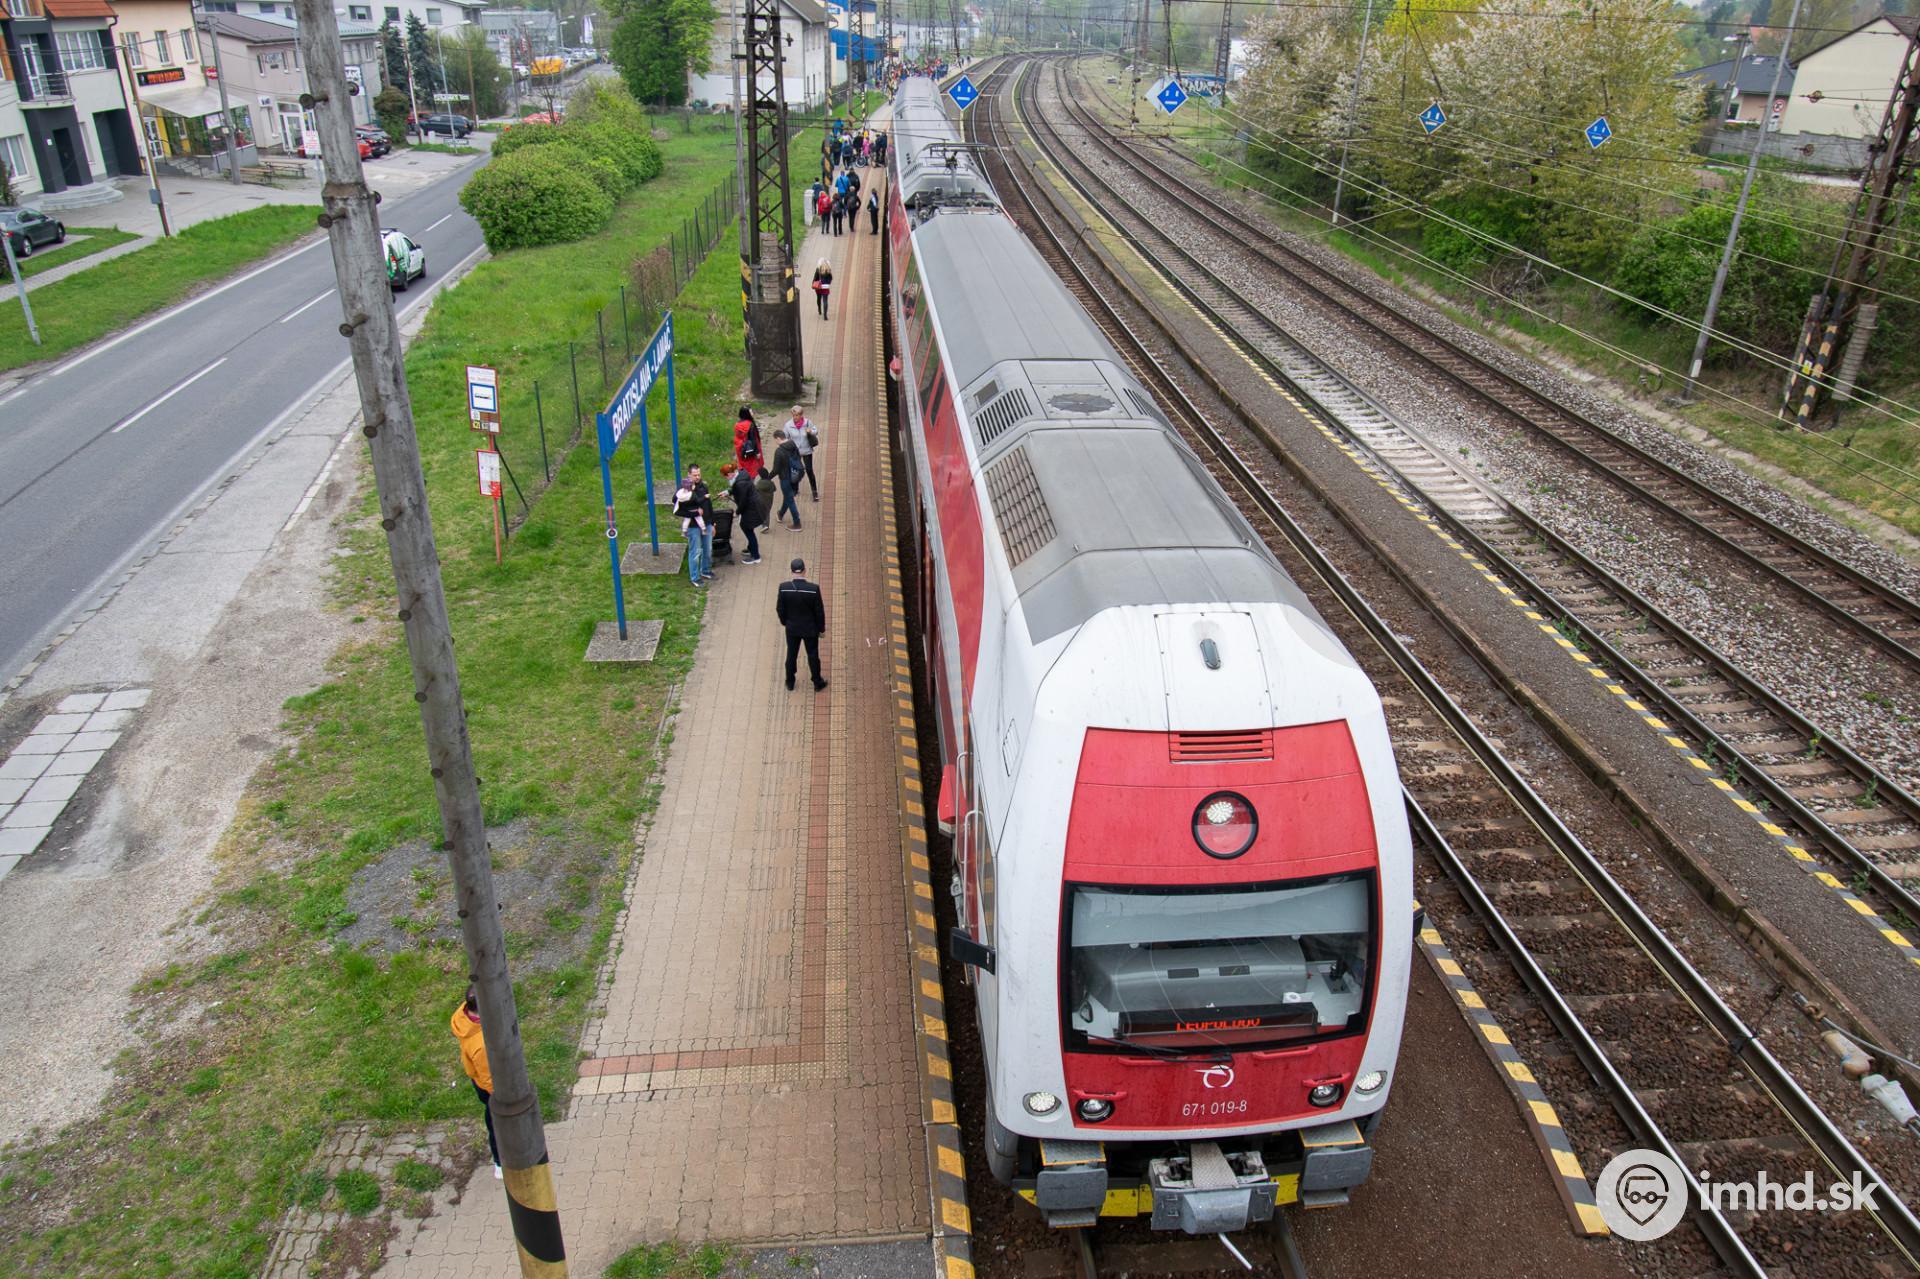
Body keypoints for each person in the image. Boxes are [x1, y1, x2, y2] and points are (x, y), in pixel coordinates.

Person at [451, 987, 502, 1179]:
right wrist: (498, 1096)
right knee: (495, 1120)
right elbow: (489, 1078)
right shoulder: (481, 1045)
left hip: (477, 1078)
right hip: (488, 1086)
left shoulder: (464, 1015)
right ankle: (500, 1163)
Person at [776, 557, 828, 692]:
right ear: (805, 571)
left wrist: (785, 622)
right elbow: (819, 612)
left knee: (791, 654)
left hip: (792, 628)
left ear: (792, 571)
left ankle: (790, 682)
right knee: (813, 655)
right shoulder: (813, 589)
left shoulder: (784, 588)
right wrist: (821, 629)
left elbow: (780, 609)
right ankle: (817, 682)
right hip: (810, 629)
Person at [673, 465, 714, 586]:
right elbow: (677, 510)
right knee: (695, 552)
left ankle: (705, 570)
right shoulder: (682, 492)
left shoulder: (703, 486)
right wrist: (695, 513)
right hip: (693, 526)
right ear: (689, 475)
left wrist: (713, 522)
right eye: (695, 475)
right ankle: (695, 577)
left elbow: (709, 505)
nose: (697, 477)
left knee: (708, 549)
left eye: (699, 475)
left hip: (706, 523)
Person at [724, 463, 762, 564]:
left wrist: (737, 512)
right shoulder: (742, 475)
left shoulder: (740, 483)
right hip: (753, 506)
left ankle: (756, 556)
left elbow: (743, 501)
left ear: (730, 474)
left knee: (747, 529)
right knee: (749, 529)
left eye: (726, 477)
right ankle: (751, 548)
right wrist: (728, 492)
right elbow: (737, 489)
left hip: (751, 509)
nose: (727, 479)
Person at [784, 404, 820, 501]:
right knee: (795, 471)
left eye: (797, 415)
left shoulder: (808, 422)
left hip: (806, 450)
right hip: (795, 452)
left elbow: (815, 431)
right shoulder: (788, 425)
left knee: (809, 471)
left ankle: (815, 492)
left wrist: (810, 431)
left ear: (801, 415)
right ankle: (795, 489)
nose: (795, 417)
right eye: (793, 415)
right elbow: (785, 438)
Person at [772, 435, 803, 530]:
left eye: (775, 440)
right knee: (788, 496)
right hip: (795, 477)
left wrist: (768, 477)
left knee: (790, 500)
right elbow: (798, 458)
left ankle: (797, 523)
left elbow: (776, 469)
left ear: (778, 438)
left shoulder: (779, 451)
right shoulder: (793, 444)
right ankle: (781, 514)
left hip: (785, 478)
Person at [733, 406, 764, 478]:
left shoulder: (737, 424)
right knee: (752, 469)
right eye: (751, 412)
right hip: (751, 451)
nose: (752, 413)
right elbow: (753, 440)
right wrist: (757, 452)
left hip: (741, 449)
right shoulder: (750, 425)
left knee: (744, 466)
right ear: (747, 414)